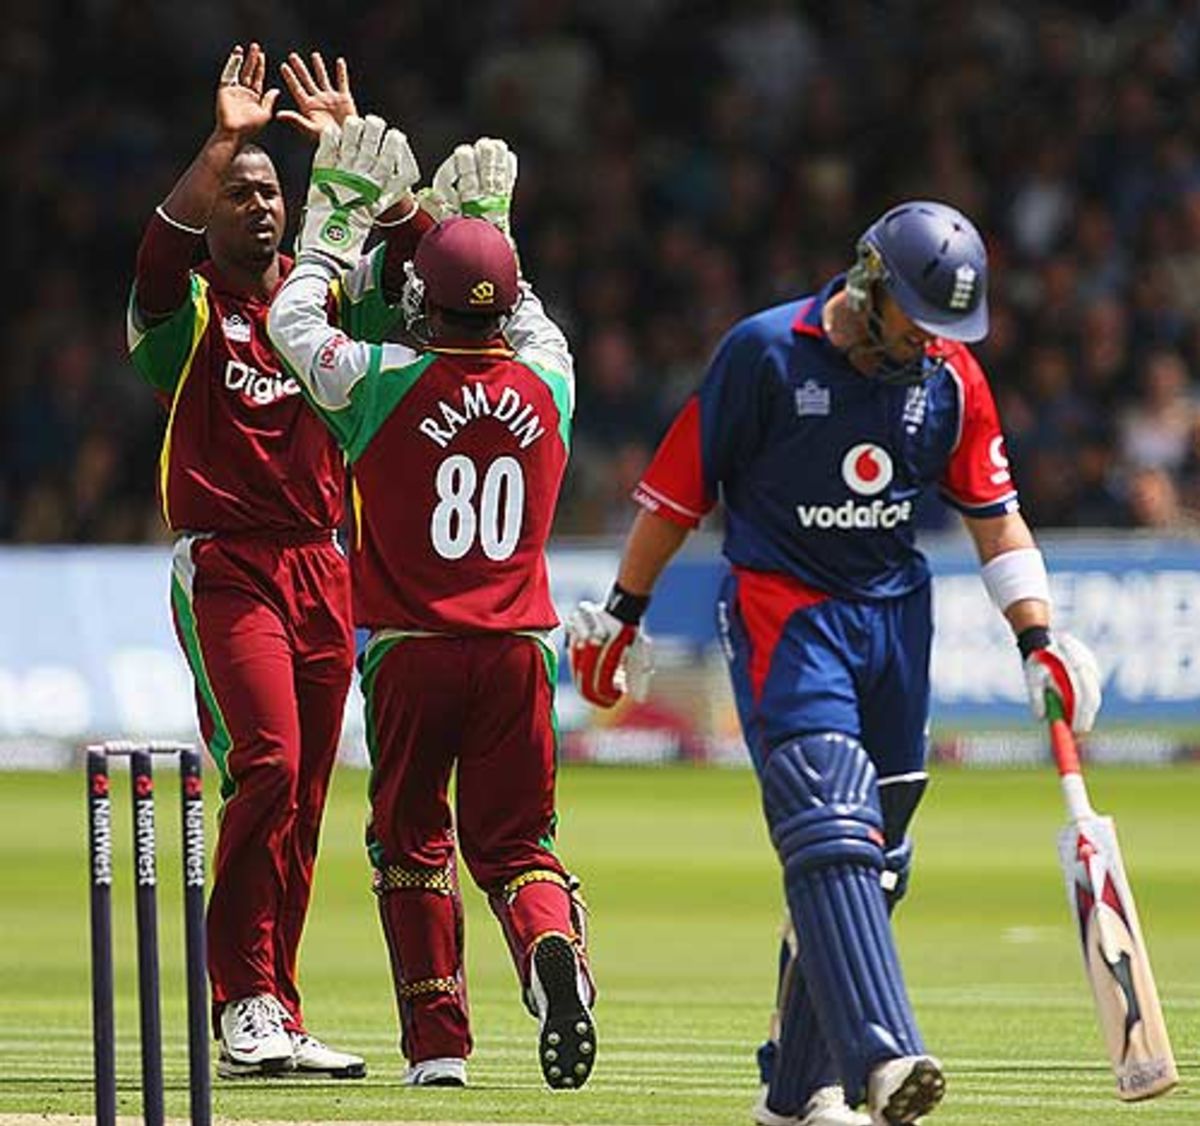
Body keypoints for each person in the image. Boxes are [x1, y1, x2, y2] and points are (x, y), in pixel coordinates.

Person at [566, 200, 1103, 1125]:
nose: (933, 340)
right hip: (785, 609)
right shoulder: (764, 353)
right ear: (872, 283)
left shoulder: (952, 377)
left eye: (949, 328)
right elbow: (676, 492)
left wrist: (1037, 636)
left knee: (879, 861)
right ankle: (884, 1058)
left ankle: (795, 1094)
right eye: (921, 318)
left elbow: (994, 515)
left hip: (895, 621)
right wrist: (624, 612)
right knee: (828, 818)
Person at [266, 115, 597, 1091]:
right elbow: (525, 307)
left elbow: (293, 327)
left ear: (420, 302)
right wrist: (488, 224)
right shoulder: (553, 377)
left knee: (412, 840)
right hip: (519, 647)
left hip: (410, 648)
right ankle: (550, 946)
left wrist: (333, 222)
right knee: (519, 843)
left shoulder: (380, 380)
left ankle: (439, 1047)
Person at [126, 42, 421, 1079]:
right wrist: (223, 142)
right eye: (240, 193)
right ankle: (242, 996)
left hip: (322, 567)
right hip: (229, 570)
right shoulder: (193, 310)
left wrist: (353, 152)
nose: (258, 205)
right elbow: (156, 261)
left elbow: (424, 282)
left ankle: (273, 1007)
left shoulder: (322, 303)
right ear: (213, 210)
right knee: (270, 766)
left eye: (270, 192)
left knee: (302, 800)